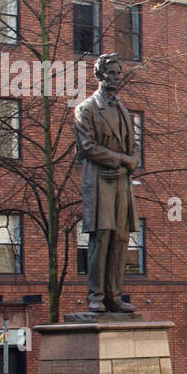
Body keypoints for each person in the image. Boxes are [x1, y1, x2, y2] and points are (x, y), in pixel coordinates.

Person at [74, 53, 139, 313]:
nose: (115, 78)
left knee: (121, 237)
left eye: (118, 73)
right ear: (99, 75)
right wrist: (121, 159)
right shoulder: (86, 108)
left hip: (122, 182)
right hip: (100, 181)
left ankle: (114, 295)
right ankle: (96, 296)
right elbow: (87, 147)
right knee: (101, 237)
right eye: (111, 73)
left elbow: (133, 146)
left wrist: (130, 161)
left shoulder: (123, 109)